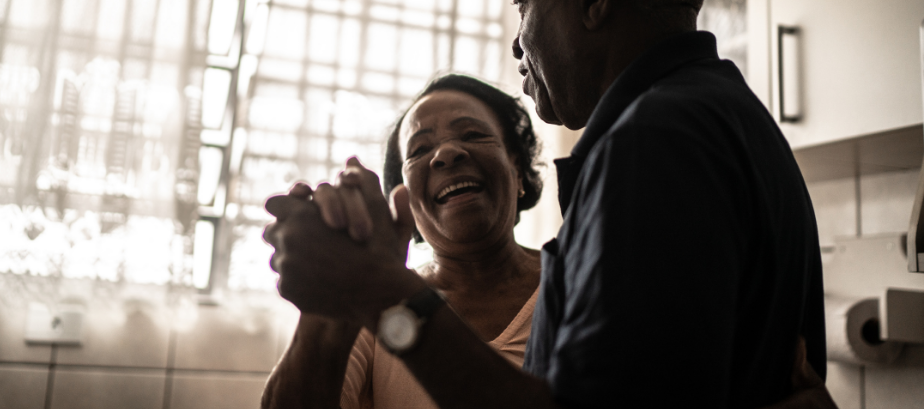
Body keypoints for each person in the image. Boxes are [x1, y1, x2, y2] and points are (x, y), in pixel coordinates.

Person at [262, 0, 836, 407]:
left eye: (522, 4)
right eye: (421, 149)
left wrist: (380, 289)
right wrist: (348, 292)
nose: (517, 39)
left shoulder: (656, 139)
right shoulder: (718, 115)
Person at [261, 74, 545, 409]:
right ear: (404, 200)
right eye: (420, 149)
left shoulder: (579, 283)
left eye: (473, 134)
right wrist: (329, 298)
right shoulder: (370, 305)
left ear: (518, 169)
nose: (447, 153)